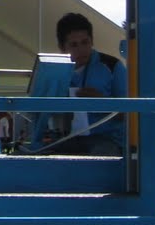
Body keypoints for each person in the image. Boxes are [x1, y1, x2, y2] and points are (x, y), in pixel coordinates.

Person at [53, 12, 124, 156]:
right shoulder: (53, 70)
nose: (81, 49)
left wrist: (102, 103)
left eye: (85, 42)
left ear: (92, 41)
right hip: (64, 138)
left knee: (100, 155)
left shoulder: (112, 66)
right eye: (74, 45)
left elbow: (131, 113)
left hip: (106, 139)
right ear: (62, 47)